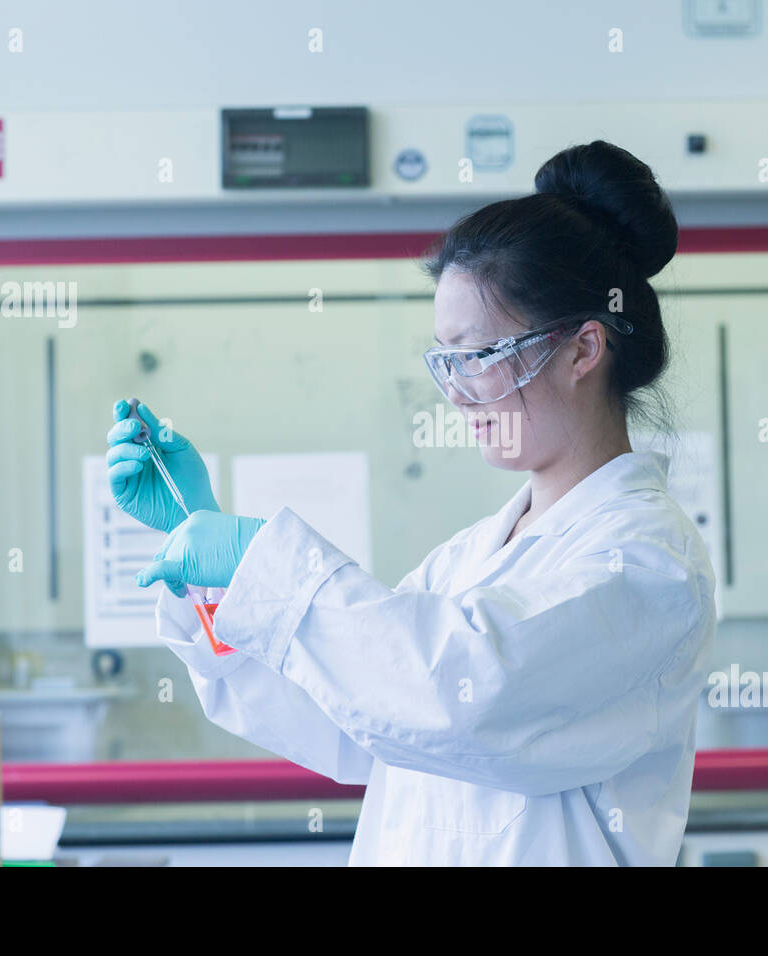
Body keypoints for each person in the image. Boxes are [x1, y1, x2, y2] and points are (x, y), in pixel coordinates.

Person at [106, 140, 716, 866]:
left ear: (583, 350)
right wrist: (212, 558)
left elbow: (464, 700)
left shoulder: (646, 563)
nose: (456, 394)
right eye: (444, 362)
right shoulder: (467, 558)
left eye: (478, 357)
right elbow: (359, 717)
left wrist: (263, 562)